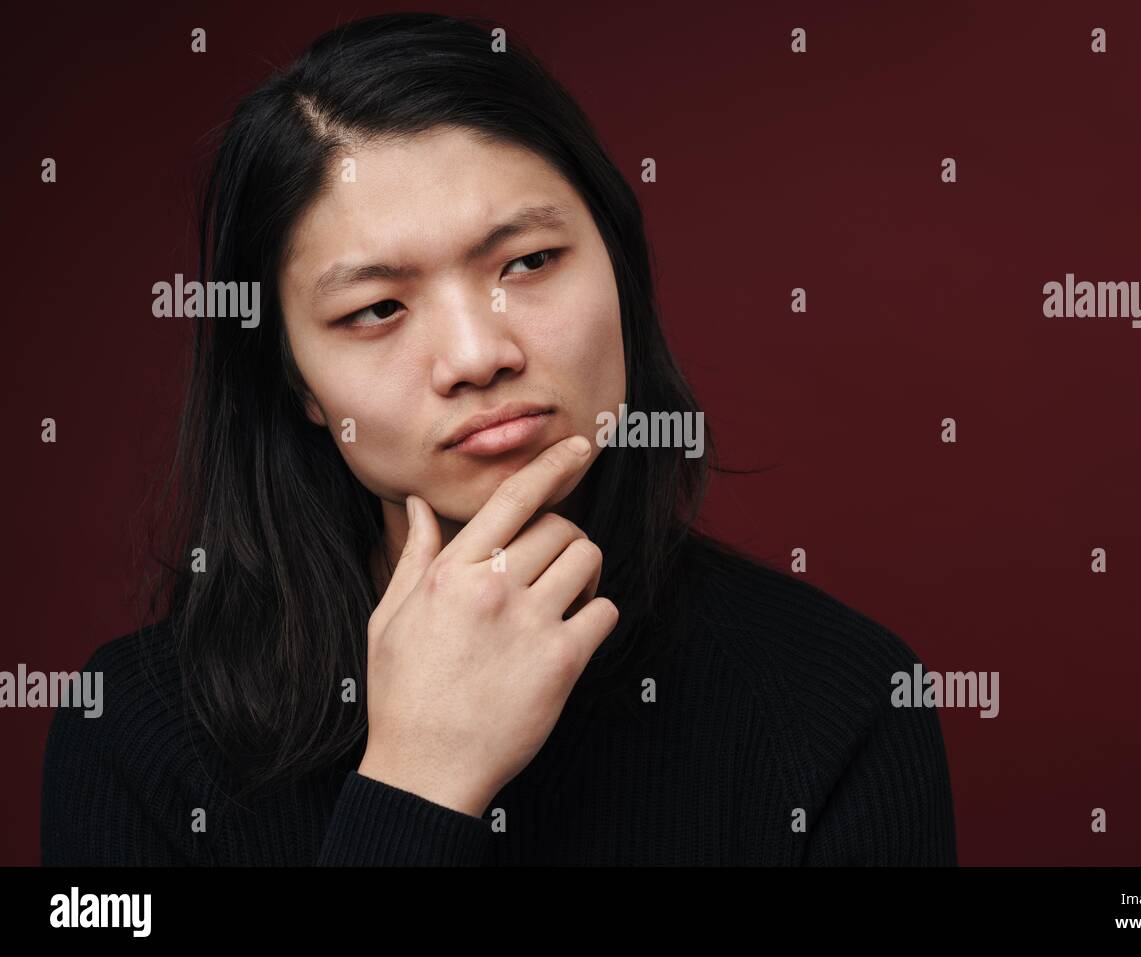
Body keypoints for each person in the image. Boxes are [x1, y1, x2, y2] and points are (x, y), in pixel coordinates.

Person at [40, 12, 957, 866]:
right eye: (376, 309)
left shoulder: (838, 700)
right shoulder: (134, 733)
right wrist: (417, 781)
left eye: (528, 262)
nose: (478, 356)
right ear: (297, 383)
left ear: (620, 266)